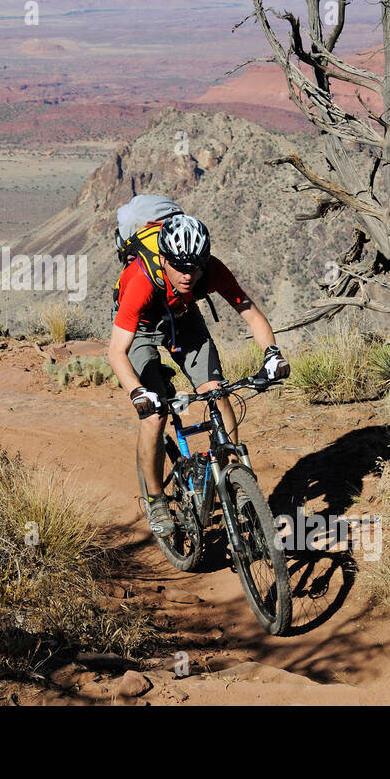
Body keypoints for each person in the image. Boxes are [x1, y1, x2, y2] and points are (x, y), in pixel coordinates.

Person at [105, 214, 290, 537]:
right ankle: (155, 498)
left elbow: (250, 312)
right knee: (155, 416)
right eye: (179, 266)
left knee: (217, 391)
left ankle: (236, 477)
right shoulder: (142, 280)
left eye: (195, 266)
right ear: (163, 259)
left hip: (183, 316)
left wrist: (272, 354)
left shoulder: (211, 270)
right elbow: (116, 352)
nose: (188, 275)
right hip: (143, 328)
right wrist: (137, 391)